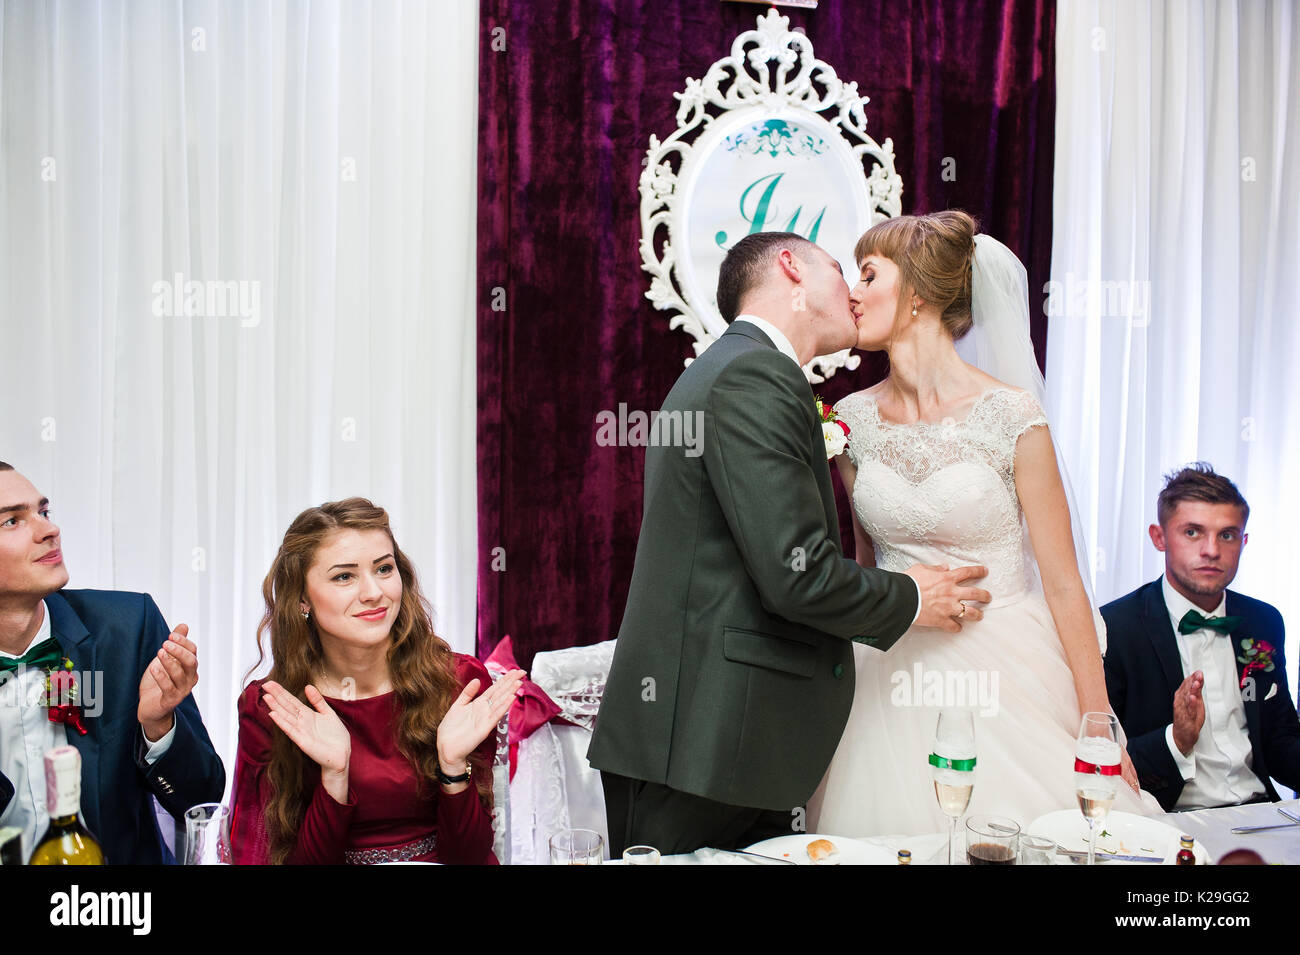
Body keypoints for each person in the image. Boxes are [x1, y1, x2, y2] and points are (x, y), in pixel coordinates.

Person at [587, 231, 991, 857]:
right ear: (790, 269)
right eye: (839, 269)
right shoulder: (753, 375)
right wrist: (912, 597)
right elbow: (795, 573)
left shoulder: (734, 368)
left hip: (715, 740)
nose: (854, 293)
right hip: (703, 745)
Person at [809, 211, 1161, 838]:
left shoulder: (1011, 416)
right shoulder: (850, 422)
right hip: (888, 675)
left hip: (1010, 674)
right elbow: (866, 566)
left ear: (917, 293)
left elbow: (1063, 585)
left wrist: (1098, 725)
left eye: (867, 274)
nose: (851, 293)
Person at [230, 497, 523, 864]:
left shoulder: (461, 682)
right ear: (302, 598)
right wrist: (334, 776)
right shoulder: (273, 707)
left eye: (384, 569)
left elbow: (470, 858)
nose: (373, 593)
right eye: (344, 576)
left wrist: (452, 765)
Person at [0, 461, 224, 863]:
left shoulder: (126, 626)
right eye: (12, 521)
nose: (49, 530)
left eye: (43, 512)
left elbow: (201, 799)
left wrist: (159, 726)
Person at [1101, 464, 1300, 810]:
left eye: (1227, 535)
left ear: (1244, 541)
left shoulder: (1264, 621)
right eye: (1192, 532)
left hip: (1260, 813)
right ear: (1159, 537)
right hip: (1164, 818)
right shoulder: (1114, 626)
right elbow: (1099, 756)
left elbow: (1281, 740)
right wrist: (1176, 739)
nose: (1211, 550)